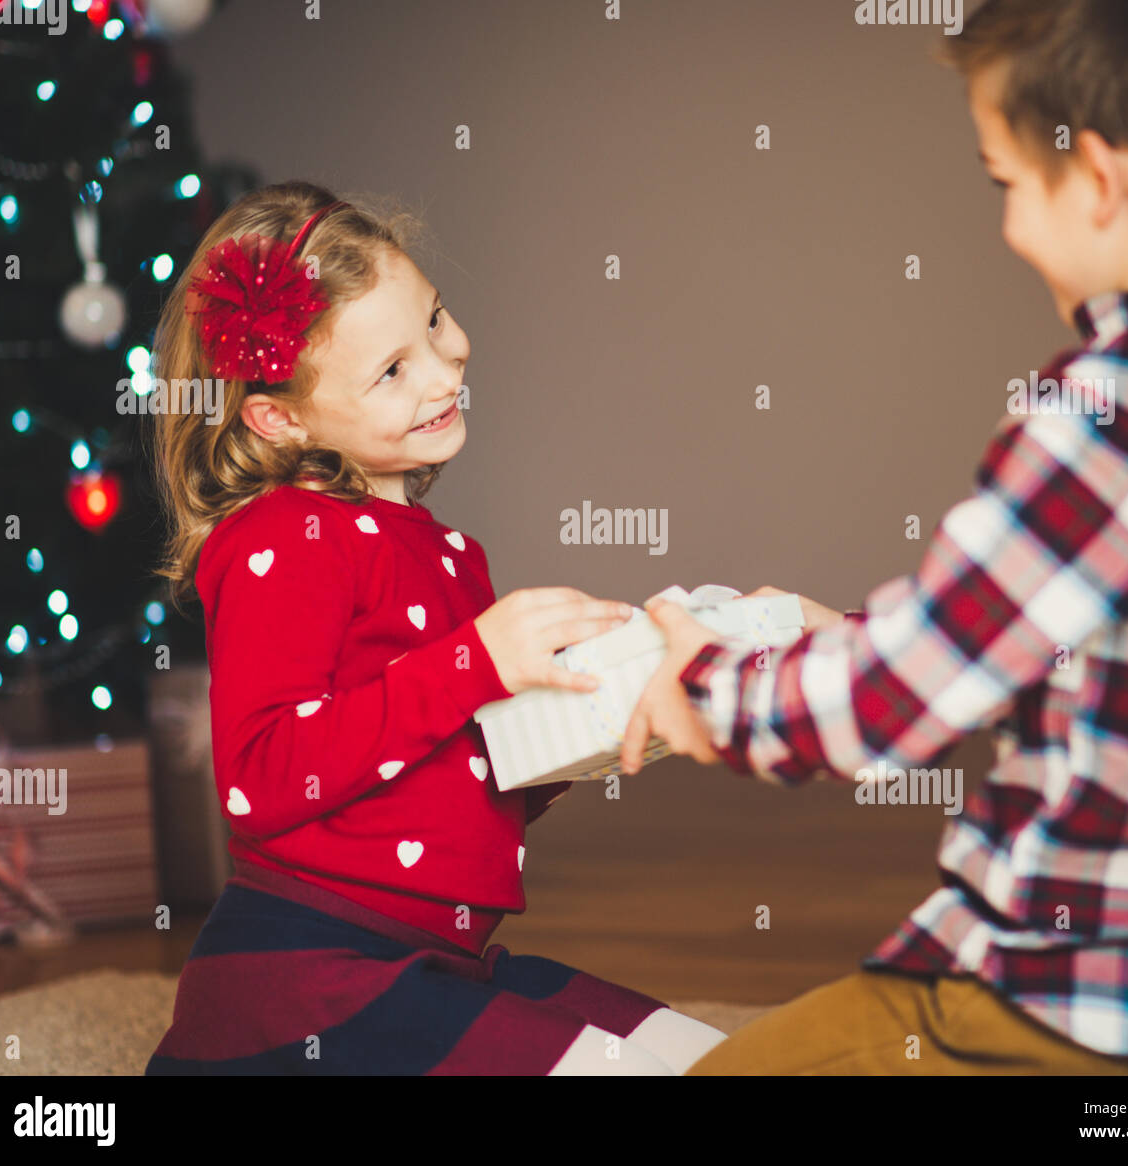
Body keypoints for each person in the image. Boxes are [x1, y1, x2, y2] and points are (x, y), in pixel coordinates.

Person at [623, 0, 1128, 1076]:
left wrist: (707, 694)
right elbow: (1101, 631)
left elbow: (889, 705)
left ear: (1103, 180)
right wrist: (866, 629)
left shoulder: (1117, 411)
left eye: (1007, 183)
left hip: (1065, 999)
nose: (1007, 222)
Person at [143, 181, 727, 1075]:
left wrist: (595, 722)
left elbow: (450, 766)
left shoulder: (454, 554)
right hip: (310, 984)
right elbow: (260, 776)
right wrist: (477, 661)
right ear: (279, 417)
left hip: (437, 962)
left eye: (436, 323)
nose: (446, 371)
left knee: (710, 1057)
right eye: (392, 371)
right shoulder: (281, 538)